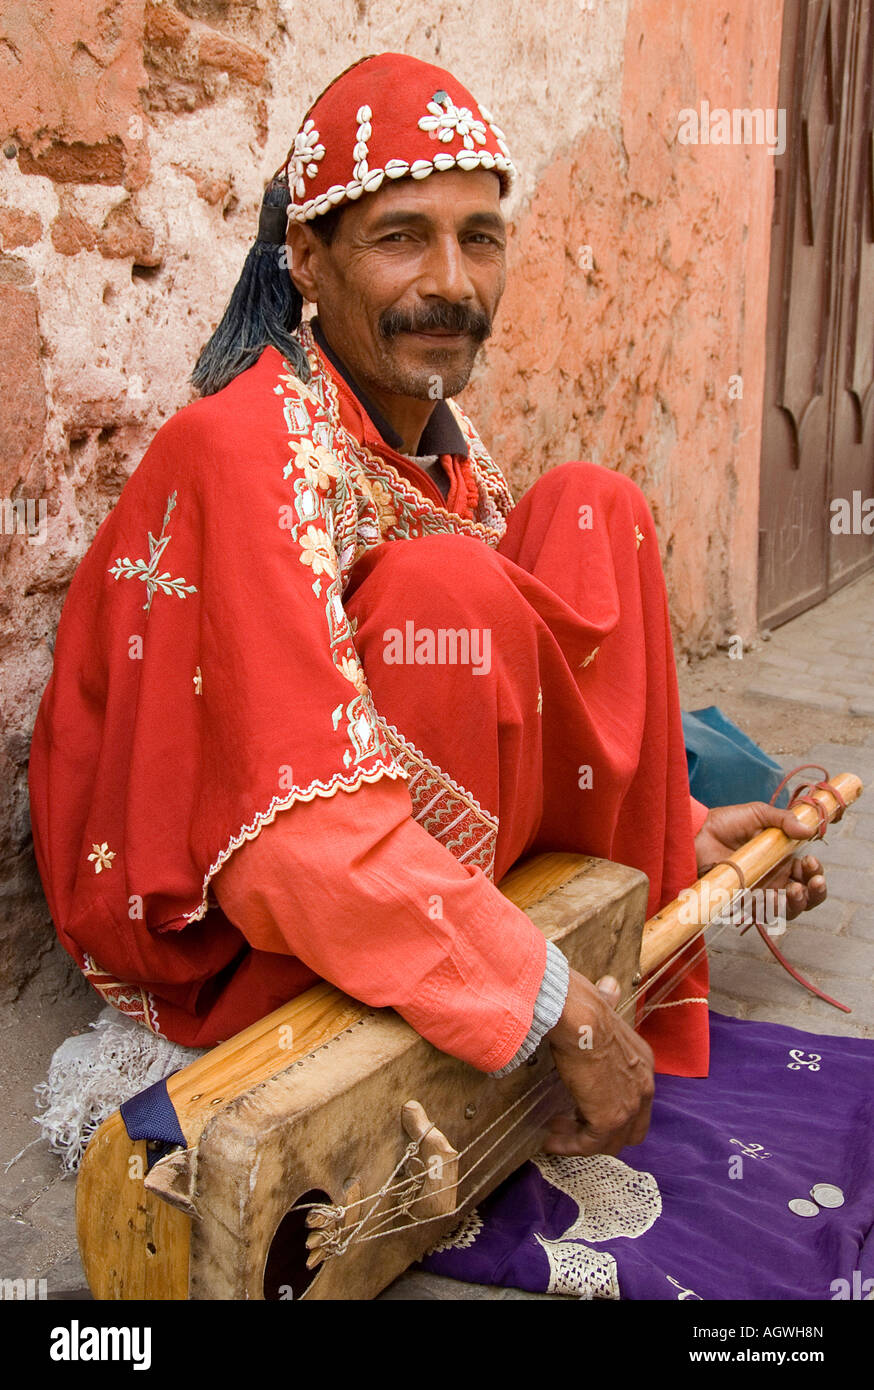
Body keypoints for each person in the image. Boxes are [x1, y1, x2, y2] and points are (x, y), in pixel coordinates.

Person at [29, 52, 827, 1168]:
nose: (449, 280)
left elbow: (520, 704)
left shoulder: (438, 447)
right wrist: (563, 1009)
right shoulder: (246, 441)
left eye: (480, 237)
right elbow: (290, 837)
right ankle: (461, 980)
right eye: (402, 236)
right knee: (444, 591)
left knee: (595, 512)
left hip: (376, 832)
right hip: (237, 921)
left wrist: (683, 830)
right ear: (305, 257)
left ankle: (539, 919)